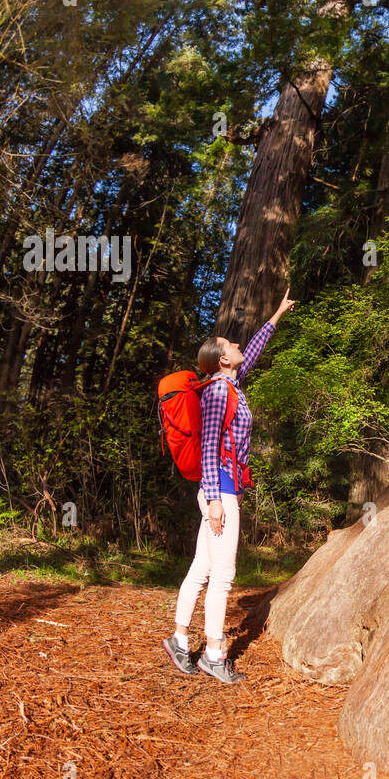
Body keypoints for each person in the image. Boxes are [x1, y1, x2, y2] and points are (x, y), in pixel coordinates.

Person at [162, 290, 295, 683]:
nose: (237, 345)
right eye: (230, 344)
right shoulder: (220, 390)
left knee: (202, 568)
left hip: (217, 486)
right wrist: (217, 500)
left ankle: (180, 640)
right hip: (220, 487)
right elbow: (207, 444)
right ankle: (215, 654)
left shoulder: (230, 383)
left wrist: (276, 315)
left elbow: (251, 352)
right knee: (222, 575)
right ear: (222, 359)